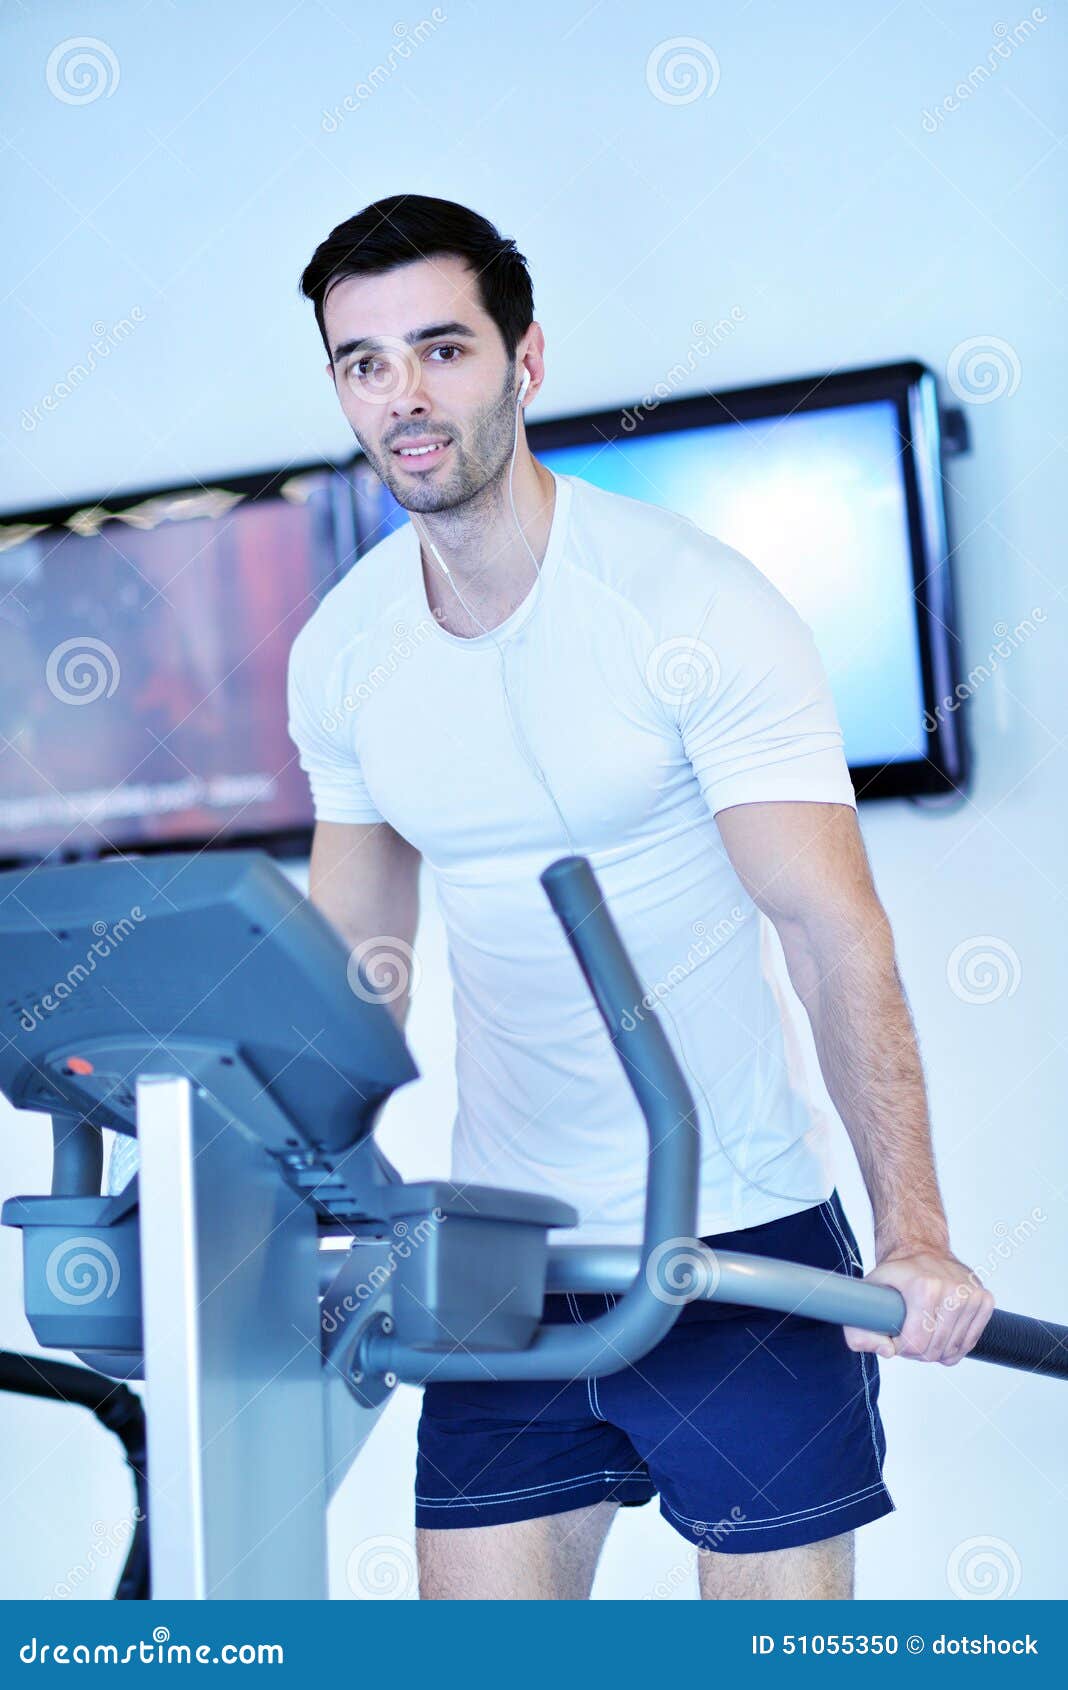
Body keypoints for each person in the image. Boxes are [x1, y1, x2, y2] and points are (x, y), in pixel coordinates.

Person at [288, 194, 994, 1601]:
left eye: (442, 349)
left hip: (739, 1241)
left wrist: (912, 1226)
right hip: (505, 1263)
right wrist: (285, 1193)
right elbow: (355, 959)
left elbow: (828, 926)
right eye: (365, 363)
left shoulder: (689, 605)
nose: (405, 397)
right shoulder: (345, 650)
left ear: (524, 361)